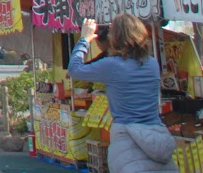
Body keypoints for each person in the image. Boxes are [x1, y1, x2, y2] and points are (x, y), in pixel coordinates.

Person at [70, 17, 177, 173]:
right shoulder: (152, 63)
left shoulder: (112, 65)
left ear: (115, 38)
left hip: (126, 143)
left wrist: (84, 39)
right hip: (157, 135)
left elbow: (74, 69)